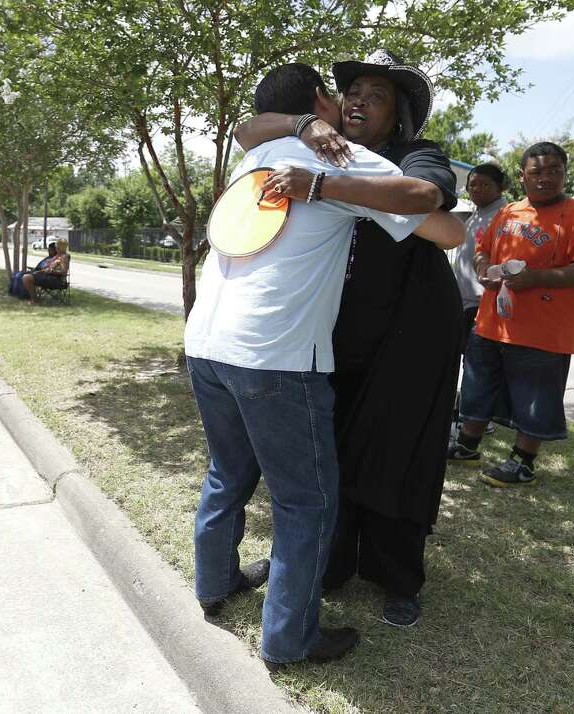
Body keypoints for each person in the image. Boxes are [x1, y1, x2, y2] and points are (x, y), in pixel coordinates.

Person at [185, 63, 463, 670]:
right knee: (305, 504)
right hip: (278, 357)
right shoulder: (344, 158)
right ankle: (290, 639)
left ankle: (213, 584)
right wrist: (322, 165)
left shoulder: (256, 156)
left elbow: (247, 127)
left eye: (374, 95)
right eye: (349, 94)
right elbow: (446, 229)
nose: (357, 103)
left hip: (208, 346)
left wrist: (316, 170)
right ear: (322, 104)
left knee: (227, 475)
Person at [448, 142, 574, 486]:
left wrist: (535, 278)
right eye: (537, 172)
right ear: (523, 176)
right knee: (478, 386)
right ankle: (467, 446)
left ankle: (523, 463)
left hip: (545, 331)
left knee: (535, 398)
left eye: (554, 171)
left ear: (565, 174)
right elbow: (483, 251)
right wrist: (485, 269)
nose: (545, 179)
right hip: (492, 322)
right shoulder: (509, 212)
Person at [456, 164, 509, 349]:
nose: (477, 189)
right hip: (466, 304)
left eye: (484, 184)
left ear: (500, 187)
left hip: (485, 304)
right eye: (473, 184)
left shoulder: (504, 216)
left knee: (478, 365)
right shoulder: (476, 216)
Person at [22, 239, 70, 304]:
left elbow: (64, 272)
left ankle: (35, 300)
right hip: (48, 276)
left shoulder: (64, 257)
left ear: (59, 247)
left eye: (56, 246)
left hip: (56, 280)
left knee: (26, 278)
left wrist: (52, 271)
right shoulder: (57, 256)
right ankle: (32, 298)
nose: (55, 247)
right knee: (25, 275)